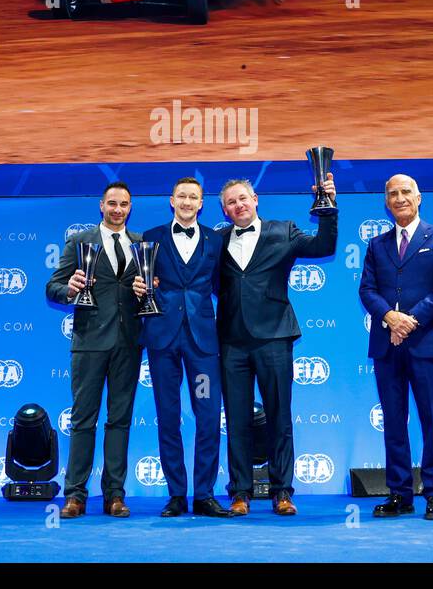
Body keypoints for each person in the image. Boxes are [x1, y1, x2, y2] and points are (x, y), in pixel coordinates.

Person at [217, 174, 337, 516]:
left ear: (255, 200)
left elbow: (323, 246)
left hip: (274, 337)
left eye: (243, 198)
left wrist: (328, 206)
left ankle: (282, 491)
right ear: (225, 211)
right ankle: (239, 493)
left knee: (279, 417)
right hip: (231, 342)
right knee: (237, 421)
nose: (238, 205)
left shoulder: (283, 230)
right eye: (231, 202)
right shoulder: (218, 240)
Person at [358, 174, 433, 520]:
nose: (399, 198)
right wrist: (389, 317)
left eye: (405, 192)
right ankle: (400, 494)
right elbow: (367, 290)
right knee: (394, 423)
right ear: (386, 202)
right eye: (392, 194)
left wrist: (408, 321)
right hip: (387, 346)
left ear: (419, 197)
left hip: (428, 344)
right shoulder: (376, 245)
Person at [44, 182, 143, 518]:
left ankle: (115, 495)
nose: (118, 210)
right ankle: (75, 495)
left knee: (120, 421)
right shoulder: (80, 241)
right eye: (112, 203)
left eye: (124, 204)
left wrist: (149, 290)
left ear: (131, 207)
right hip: (89, 343)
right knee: (84, 421)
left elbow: (148, 292)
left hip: (129, 343)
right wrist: (68, 289)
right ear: (102, 205)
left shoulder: (141, 244)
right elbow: (53, 287)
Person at [139, 177, 230, 518]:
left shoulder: (215, 240)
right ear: (171, 200)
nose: (188, 202)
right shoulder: (151, 237)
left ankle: (204, 494)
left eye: (194, 197)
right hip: (163, 340)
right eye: (182, 196)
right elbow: (141, 284)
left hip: (203, 344)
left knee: (207, 417)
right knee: (168, 417)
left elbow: (223, 287)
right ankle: (176, 494)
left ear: (202, 203)